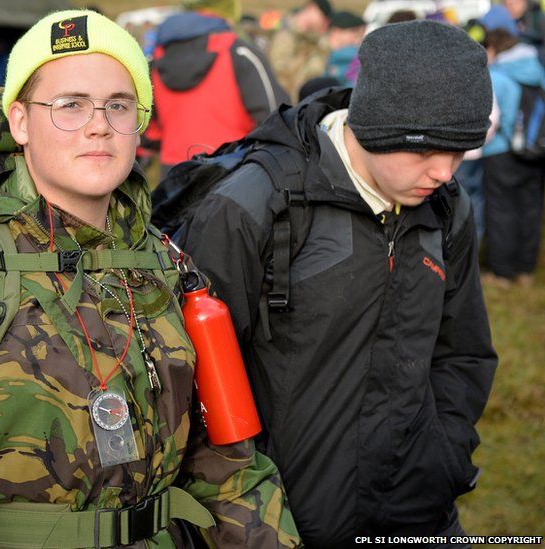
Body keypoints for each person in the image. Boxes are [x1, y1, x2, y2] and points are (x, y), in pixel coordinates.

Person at [0, 10, 300, 547]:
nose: (99, 124)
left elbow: (229, 467)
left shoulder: (165, 268)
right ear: (21, 121)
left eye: (118, 105)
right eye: (70, 105)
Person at [182, 20, 497, 546]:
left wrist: (443, 458)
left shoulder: (446, 208)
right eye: (425, 151)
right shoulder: (253, 206)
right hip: (284, 526)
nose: (445, 171)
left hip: (421, 516)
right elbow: (190, 388)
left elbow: (463, 351)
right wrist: (250, 519)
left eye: (460, 152)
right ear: (374, 127)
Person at [150, 0, 288, 176]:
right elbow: (276, 116)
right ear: (229, 16)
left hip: (173, 175)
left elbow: (148, 130)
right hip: (232, 170)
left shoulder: (157, 57)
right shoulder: (238, 51)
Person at [480, 6, 545, 287]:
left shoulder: (497, 75)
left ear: (494, 47)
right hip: (537, 151)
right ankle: (526, 268)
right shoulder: (538, 70)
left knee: (501, 210)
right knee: (530, 208)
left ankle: (502, 272)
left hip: (502, 153)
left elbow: (494, 118)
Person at [268, 0, 332, 101]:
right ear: (312, 9)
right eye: (323, 16)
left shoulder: (310, 38)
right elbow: (279, 70)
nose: (325, 23)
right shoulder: (286, 35)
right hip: (285, 100)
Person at [323, 11, 365, 87]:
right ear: (336, 31)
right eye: (353, 31)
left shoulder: (342, 56)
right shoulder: (317, 55)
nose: (357, 39)